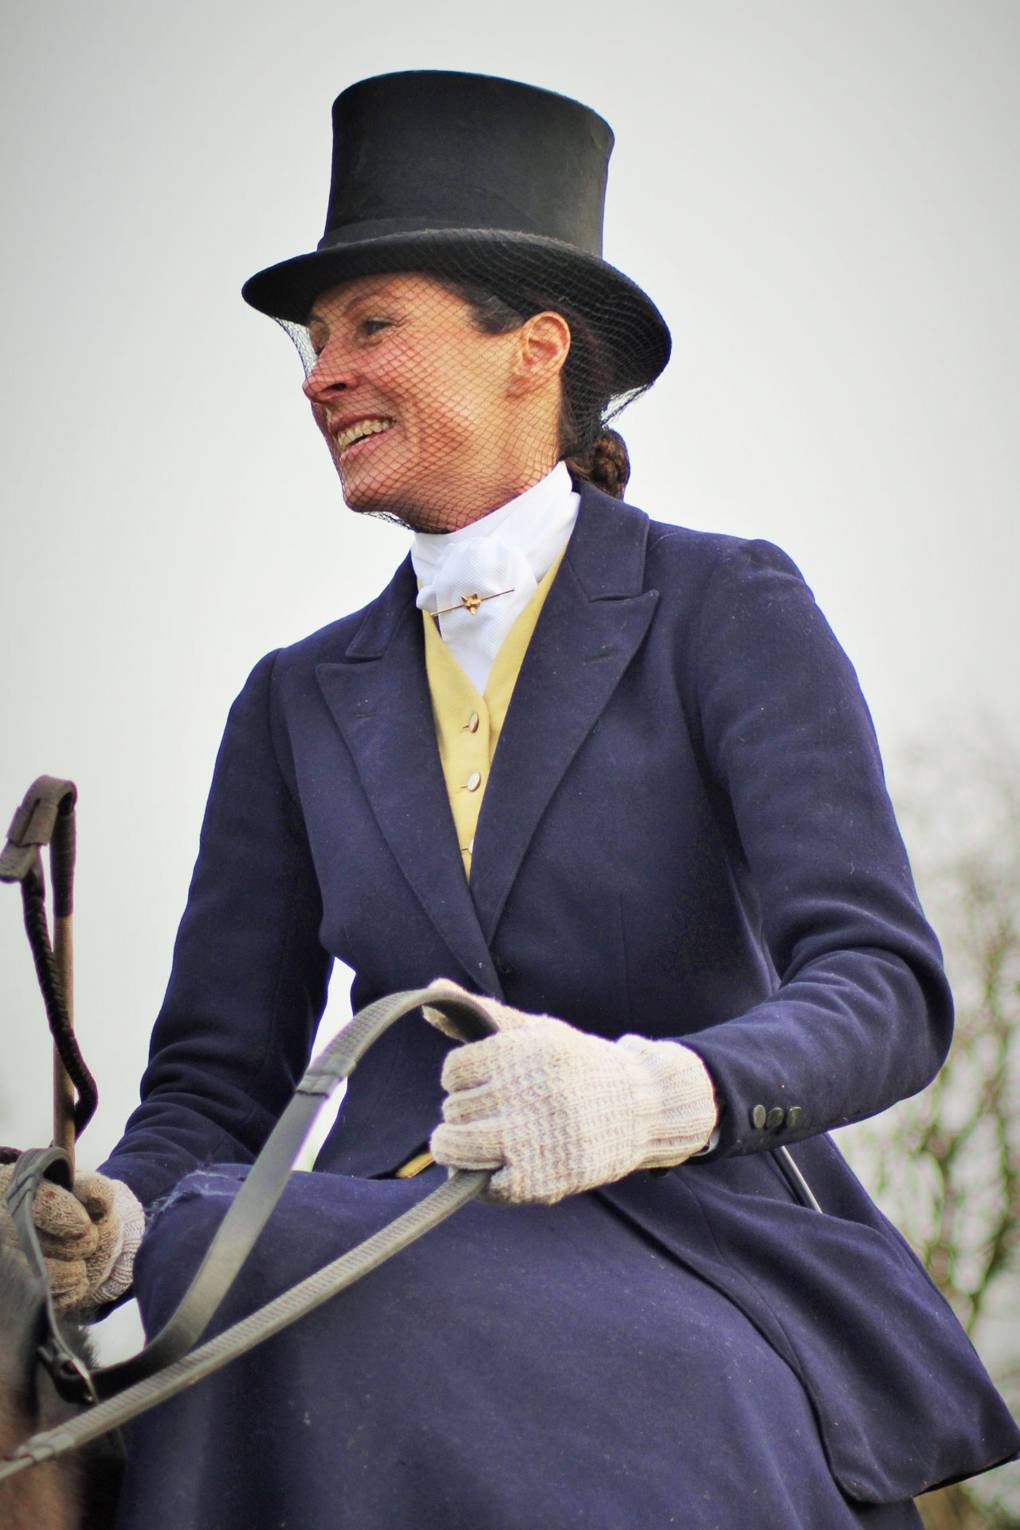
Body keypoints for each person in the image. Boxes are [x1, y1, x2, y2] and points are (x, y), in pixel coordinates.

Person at [9, 70, 1018, 1529]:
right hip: (366, 1237)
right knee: (207, 1246)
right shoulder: (293, 700)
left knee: (262, 1254)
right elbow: (217, 1085)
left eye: (370, 328)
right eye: (314, 341)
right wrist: (116, 1215)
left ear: (533, 350)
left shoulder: (727, 607)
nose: (319, 375)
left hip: (689, 1236)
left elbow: (884, 986)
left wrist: (655, 1094)